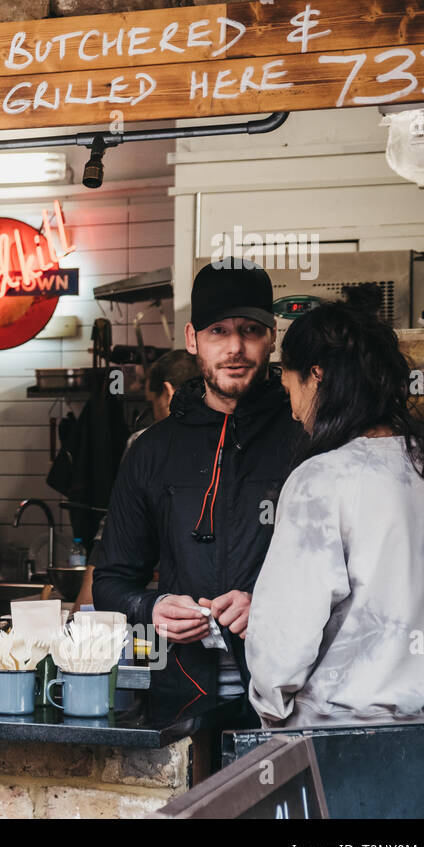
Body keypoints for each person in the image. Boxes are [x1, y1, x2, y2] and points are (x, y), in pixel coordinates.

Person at [93, 259, 304, 715]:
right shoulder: (152, 451)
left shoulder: (306, 438)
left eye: (250, 330)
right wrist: (152, 607)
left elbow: (351, 577)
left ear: (272, 338)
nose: (235, 347)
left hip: (288, 700)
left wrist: (269, 606)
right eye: (218, 331)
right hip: (179, 699)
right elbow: (110, 581)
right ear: (192, 339)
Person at [246, 302, 424, 727]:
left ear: (316, 376)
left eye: (288, 383)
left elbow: (283, 642)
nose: (292, 409)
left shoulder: (322, 479)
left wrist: (271, 710)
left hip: (343, 740)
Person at [76, 349, 200, 606]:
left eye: (151, 402)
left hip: (159, 598)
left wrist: (87, 601)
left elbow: (112, 527)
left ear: (167, 393)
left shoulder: (145, 443)